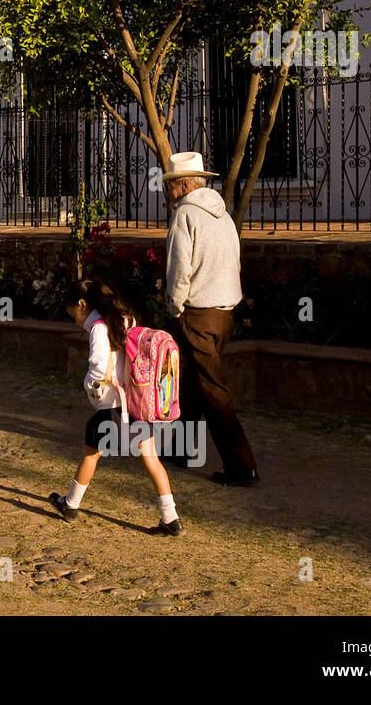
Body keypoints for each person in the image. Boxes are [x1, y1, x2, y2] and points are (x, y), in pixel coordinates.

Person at [48, 279, 183, 535]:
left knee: (91, 451)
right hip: (137, 405)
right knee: (151, 458)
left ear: (82, 304)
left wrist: (91, 386)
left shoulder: (99, 328)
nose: (75, 321)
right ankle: (171, 517)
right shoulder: (124, 320)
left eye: (73, 314)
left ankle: (71, 503)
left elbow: (99, 367)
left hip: (114, 407)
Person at [162, 151, 259, 486]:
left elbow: (178, 271)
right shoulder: (222, 215)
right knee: (193, 384)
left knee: (214, 391)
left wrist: (174, 308)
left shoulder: (185, 215)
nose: (168, 192)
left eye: (171, 185)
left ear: (184, 185)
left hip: (198, 313)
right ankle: (181, 449)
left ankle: (242, 466)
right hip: (224, 312)